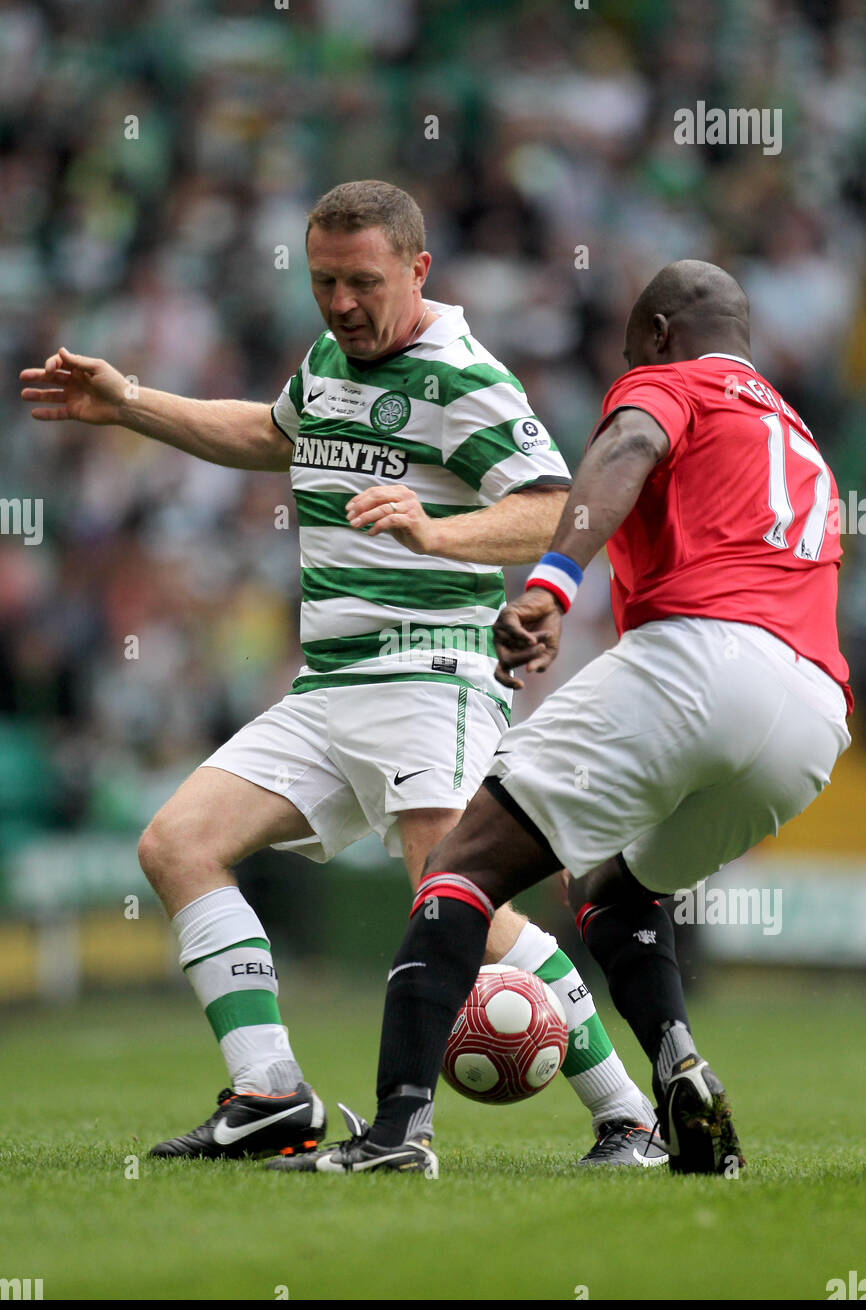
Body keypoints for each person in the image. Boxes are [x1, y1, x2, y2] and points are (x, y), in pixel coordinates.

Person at [20, 180, 664, 1168]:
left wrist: (432, 527)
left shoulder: (461, 374)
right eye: (323, 281)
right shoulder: (329, 355)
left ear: (417, 270)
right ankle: (271, 1093)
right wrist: (130, 404)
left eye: (362, 282)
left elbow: (552, 507)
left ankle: (627, 1114)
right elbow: (277, 437)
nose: (341, 303)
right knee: (178, 843)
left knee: (452, 897)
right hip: (328, 685)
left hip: (430, 677)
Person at [281, 259, 853, 1177]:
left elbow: (625, 449)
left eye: (631, 344)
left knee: (461, 867)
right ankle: (679, 1077)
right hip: (813, 717)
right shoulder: (801, 440)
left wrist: (552, 583)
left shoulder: (671, 382)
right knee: (615, 893)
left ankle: (395, 1134)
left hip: (699, 661)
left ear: (661, 332)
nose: (624, 362)